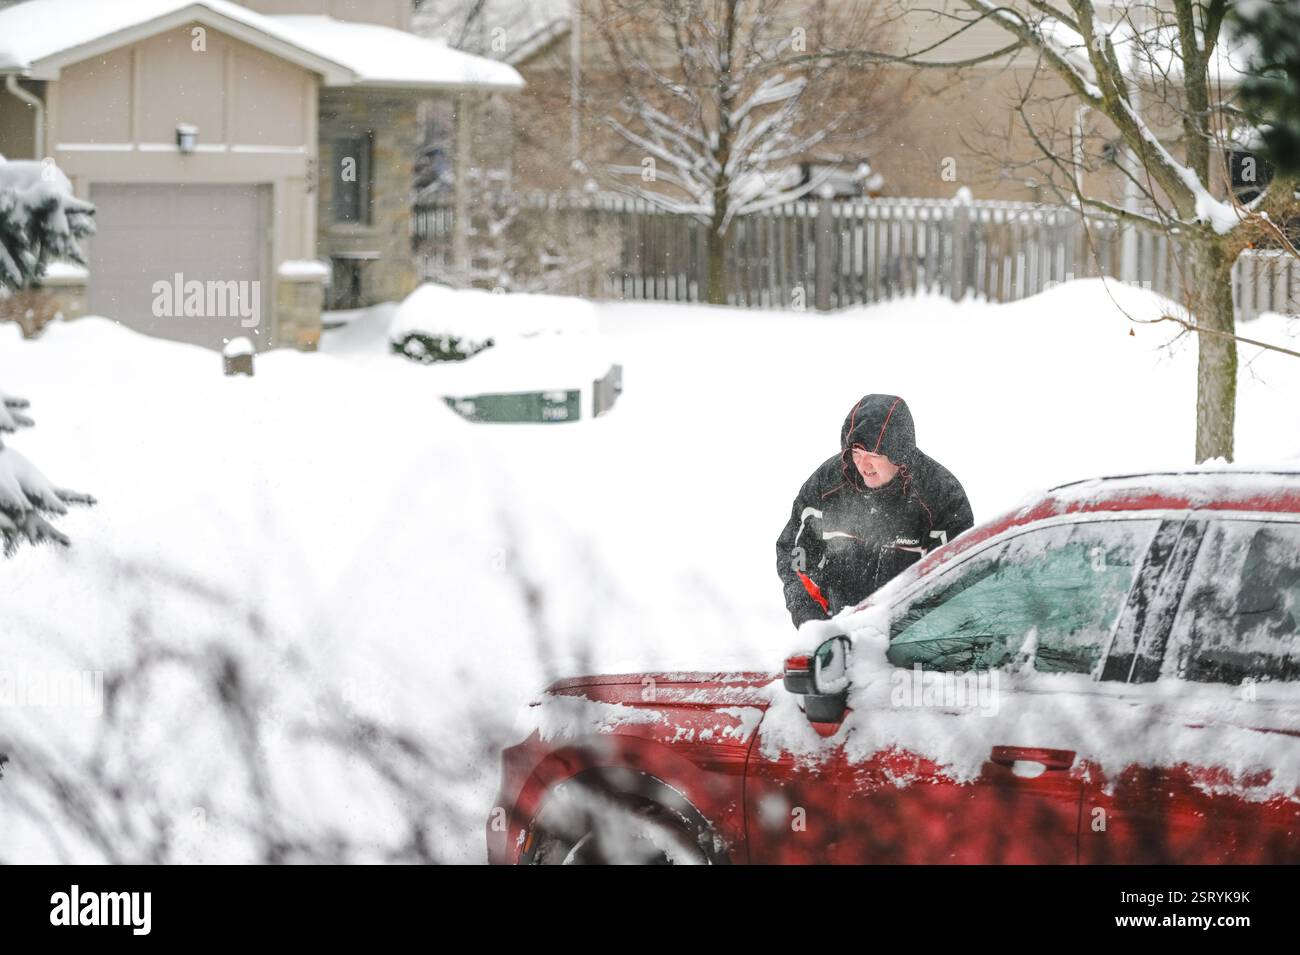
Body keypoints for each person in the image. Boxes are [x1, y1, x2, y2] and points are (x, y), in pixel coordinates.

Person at [775, 394, 974, 627]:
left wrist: (908, 632)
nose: (863, 465)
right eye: (856, 454)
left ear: (899, 454)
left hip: (908, 642)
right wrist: (813, 622)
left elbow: (953, 580)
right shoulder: (825, 486)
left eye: (873, 455)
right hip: (839, 635)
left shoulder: (940, 495)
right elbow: (794, 554)